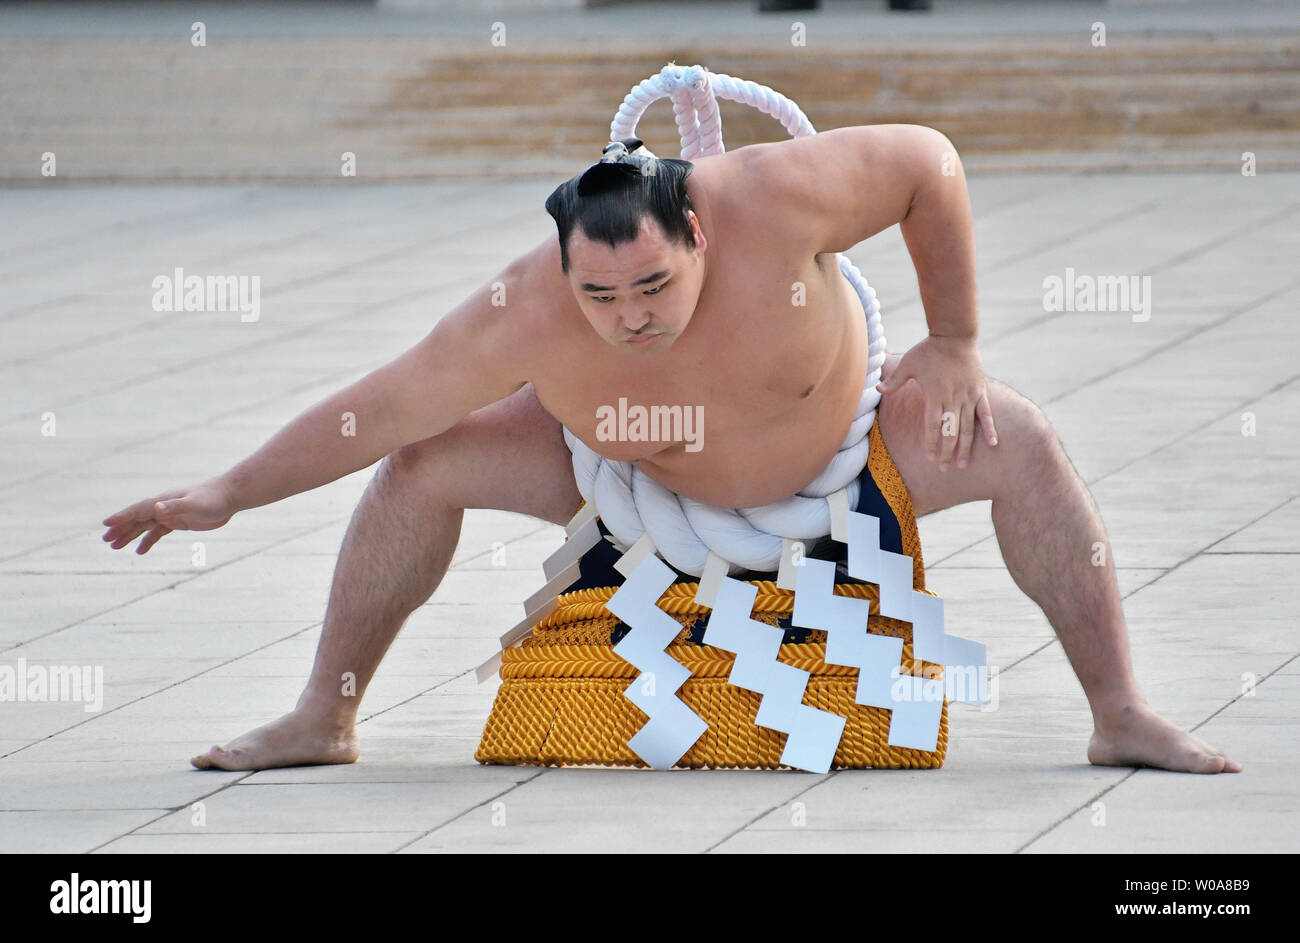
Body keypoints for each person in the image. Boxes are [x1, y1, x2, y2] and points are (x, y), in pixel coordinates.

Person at [101, 125, 1240, 774]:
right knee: (424, 462)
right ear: (564, 272)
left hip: (849, 460)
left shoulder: (775, 198)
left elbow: (929, 166)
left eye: (653, 283)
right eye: (599, 297)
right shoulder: (522, 311)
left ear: (697, 232)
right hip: (629, 477)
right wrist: (229, 491)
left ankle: (1119, 711)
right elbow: (382, 407)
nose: (631, 317)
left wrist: (955, 341)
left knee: (1020, 440)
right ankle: (324, 714)